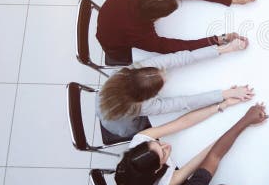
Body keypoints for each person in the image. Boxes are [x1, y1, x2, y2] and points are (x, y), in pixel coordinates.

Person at [113, 91, 254, 185]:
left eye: (158, 143)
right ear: (157, 169)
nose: (167, 145)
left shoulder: (141, 139)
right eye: (163, 153)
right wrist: (240, 126)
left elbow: (182, 122)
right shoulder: (166, 183)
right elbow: (204, 157)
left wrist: (222, 105)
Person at [97, 41, 251, 138]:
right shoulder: (144, 106)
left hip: (104, 99)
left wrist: (225, 49)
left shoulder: (132, 70)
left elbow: (180, 58)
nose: (165, 74)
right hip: (120, 123)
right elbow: (184, 103)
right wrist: (226, 94)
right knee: (140, 126)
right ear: (150, 96)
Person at [96, 0, 250, 64]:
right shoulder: (137, 31)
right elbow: (173, 47)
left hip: (111, 12)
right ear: (154, 18)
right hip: (117, 48)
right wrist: (218, 39)